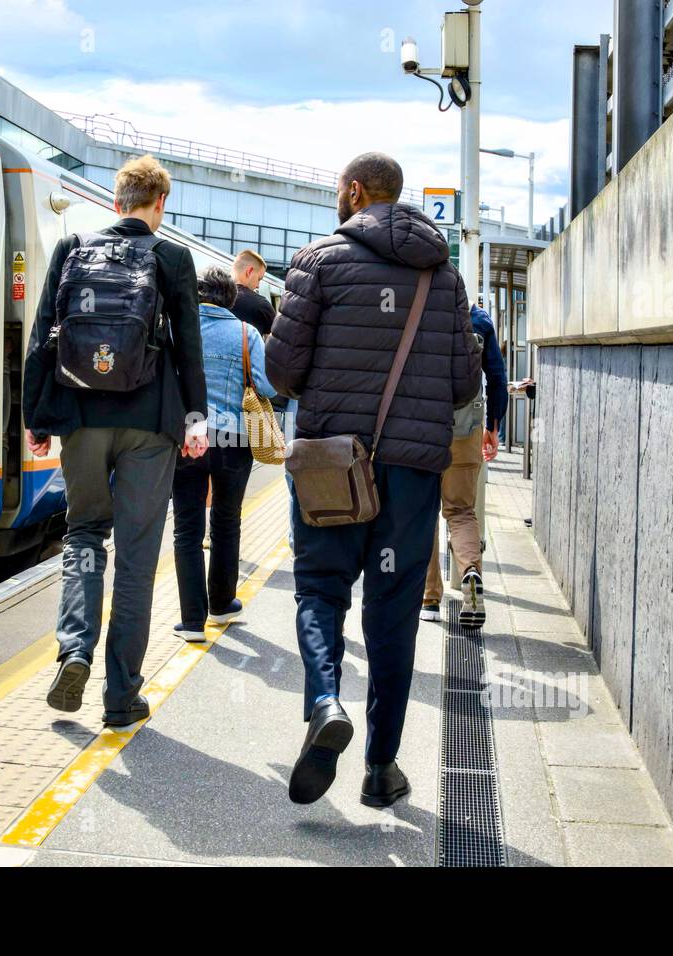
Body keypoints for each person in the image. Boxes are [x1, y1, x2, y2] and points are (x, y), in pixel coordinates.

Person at [265, 152, 481, 808]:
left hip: (333, 465)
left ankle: (326, 700)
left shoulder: (317, 261)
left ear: (355, 191)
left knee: (320, 591)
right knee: (393, 615)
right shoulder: (443, 277)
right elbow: (463, 384)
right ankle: (381, 767)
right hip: (412, 476)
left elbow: (280, 371)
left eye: (339, 189)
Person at [23, 154, 208, 728]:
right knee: (135, 557)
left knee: (82, 535)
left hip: (80, 416)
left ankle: (74, 650)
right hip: (150, 422)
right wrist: (196, 418)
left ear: (115, 202)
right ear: (159, 206)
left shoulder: (72, 245)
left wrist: (35, 417)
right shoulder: (172, 257)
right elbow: (188, 344)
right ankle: (121, 696)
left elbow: (42, 337)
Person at [171, 266, 276, 641]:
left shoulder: (177, 328)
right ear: (230, 299)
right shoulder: (246, 333)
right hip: (234, 441)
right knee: (227, 522)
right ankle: (221, 604)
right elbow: (267, 385)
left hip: (187, 438)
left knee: (187, 527)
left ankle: (192, 622)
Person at [421, 296, 509, 626]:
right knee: (460, 511)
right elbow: (498, 378)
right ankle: (471, 571)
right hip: (469, 426)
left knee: (427, 510)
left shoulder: (426, 312)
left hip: (427, 427)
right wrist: (493, 427)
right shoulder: (480, 321)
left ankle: (430, 599)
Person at [229, 248, 276, 337]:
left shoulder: (213, 298)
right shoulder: (261, 305)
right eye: (259, 279)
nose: (258, 285)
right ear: (249, 272)